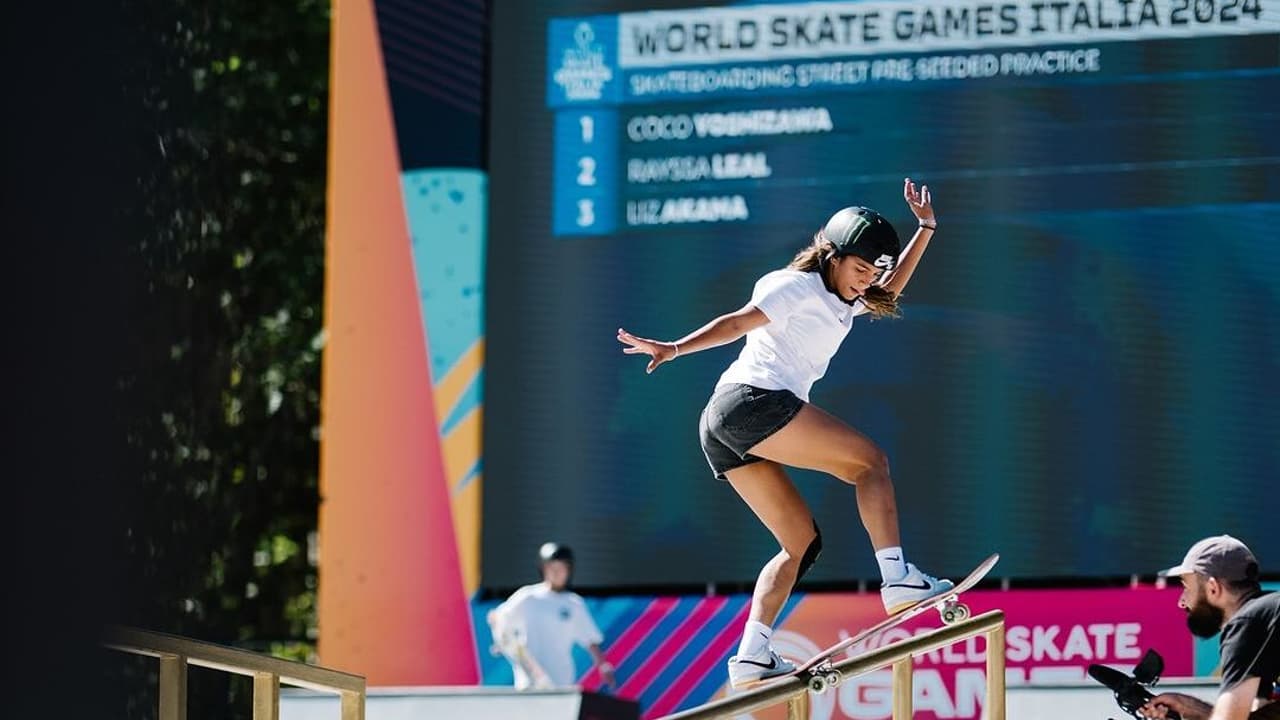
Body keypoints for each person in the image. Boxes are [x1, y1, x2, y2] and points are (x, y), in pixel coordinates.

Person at [617, 178, 955, 687]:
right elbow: (737, 323)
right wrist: (674, 347)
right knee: (871, 464)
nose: (865, 282)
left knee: (799, 544)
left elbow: (892, 284)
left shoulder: (847, 298)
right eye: (859, 270)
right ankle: (897, 579)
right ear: (832, 256)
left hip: (724, 425)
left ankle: (752, 654)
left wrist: (926, 228)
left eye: (871, 274)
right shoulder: (795, 284)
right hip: (752, 402)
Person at [1141, 535, 1278, 720]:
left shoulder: (1248, 622)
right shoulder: (1266, 620)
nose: (1181, 602)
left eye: (1187, 587)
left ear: (1213, 587)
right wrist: (1190, 708)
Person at [487, 542, 618, 690]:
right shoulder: (527, 596)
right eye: (552, 568)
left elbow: (590, 640)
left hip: (561, 682)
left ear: (569, 570)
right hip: (529, 682)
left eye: (561, 568)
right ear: (544, 569)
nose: (556, 572)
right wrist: (501, 633)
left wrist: (602, 664)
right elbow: (498, 618)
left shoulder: (574, 604)